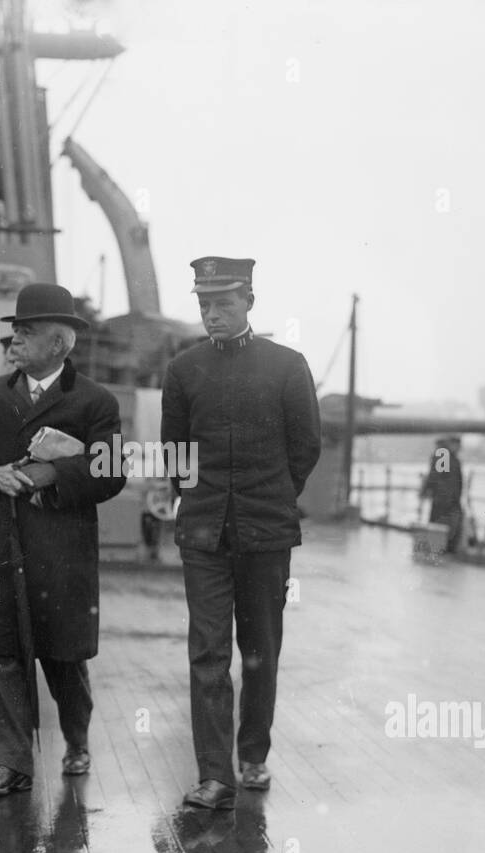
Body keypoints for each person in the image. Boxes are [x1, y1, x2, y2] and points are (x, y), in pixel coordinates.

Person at [0, 283, 126, 797]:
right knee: (2, 652)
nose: (14, 341)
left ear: (58, 343)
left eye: (25, 334)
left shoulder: (96, 401)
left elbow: (111, 472)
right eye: (14, 332)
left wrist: (55, 474)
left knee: (63, 653)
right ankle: (12, 765)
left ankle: (76, 741)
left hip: (62, 547)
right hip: (1, 542)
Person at [161, 256, 322, 809]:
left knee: (260, 652)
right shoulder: (184, 371)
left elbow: (306, 448)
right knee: (207, 653)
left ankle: (252, 755)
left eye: (223, 304)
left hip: (265, 536)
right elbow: (176, 452)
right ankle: (214, 775)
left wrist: (272, 497)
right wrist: (199, 504)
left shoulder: (286, 366)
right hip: (203, 536)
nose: (212, 314)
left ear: (249, 302)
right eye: (204, 304)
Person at [419, 435, 463, 551]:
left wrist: (426, 490)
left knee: (444, 525)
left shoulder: (448, 457)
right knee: (444, 525)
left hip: (447, 499)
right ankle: (441, 549)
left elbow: (436, 476)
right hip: (445, 500)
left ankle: (442, 549)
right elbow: (436, 476)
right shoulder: (443, 455)